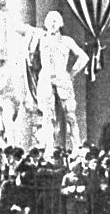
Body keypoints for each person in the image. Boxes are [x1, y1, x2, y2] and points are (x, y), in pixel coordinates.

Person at [11, 10, 90, 156]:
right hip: (46, 77)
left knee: (70, 115)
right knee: (47, 116)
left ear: (60, 24)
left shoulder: (66, 40)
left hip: (62, 77)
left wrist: (71, 73)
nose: (53, 24)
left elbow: (84, 57)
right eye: (50, 21)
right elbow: (18, 28)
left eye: (55, 21)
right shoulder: (40, 37)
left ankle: (77, 147)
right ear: (46, 23)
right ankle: (49, 147)